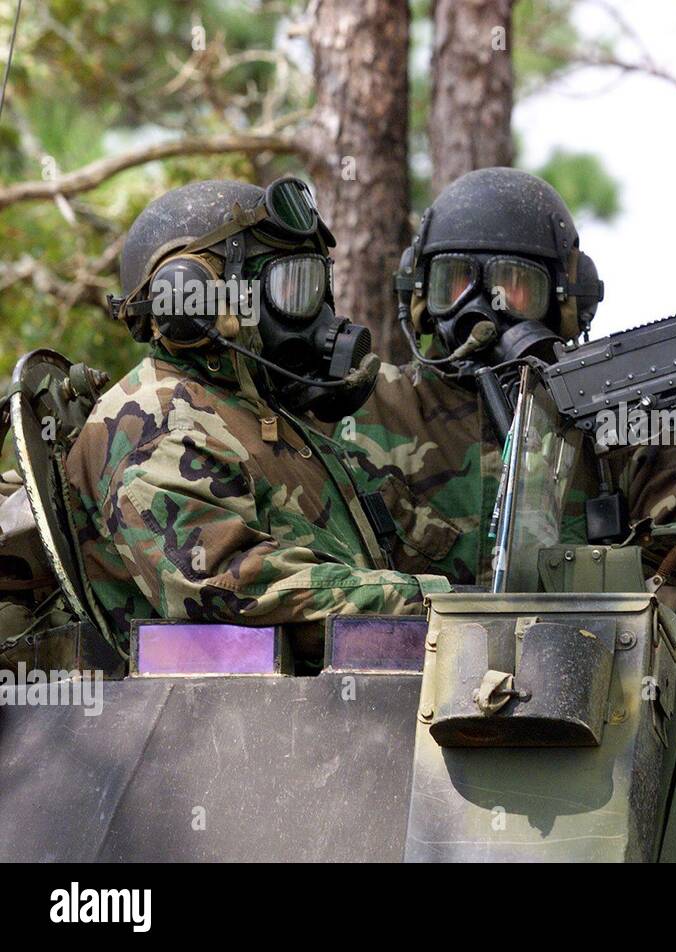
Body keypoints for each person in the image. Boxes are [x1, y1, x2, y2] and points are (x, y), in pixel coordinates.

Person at [65, 179, 452, 659]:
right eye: (291, 288)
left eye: (314, 284)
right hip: (208, 725)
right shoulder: (158, 422)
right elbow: (231, 587)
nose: (315, 314)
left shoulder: (254, 408)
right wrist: (432, 604)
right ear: (197, 299)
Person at [336, 168, 676, 586]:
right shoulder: (366, 406)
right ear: (422, 295)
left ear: (567, 299)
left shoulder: (616, 419)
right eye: (456, 281)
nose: (482, 306)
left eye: (513, 285)